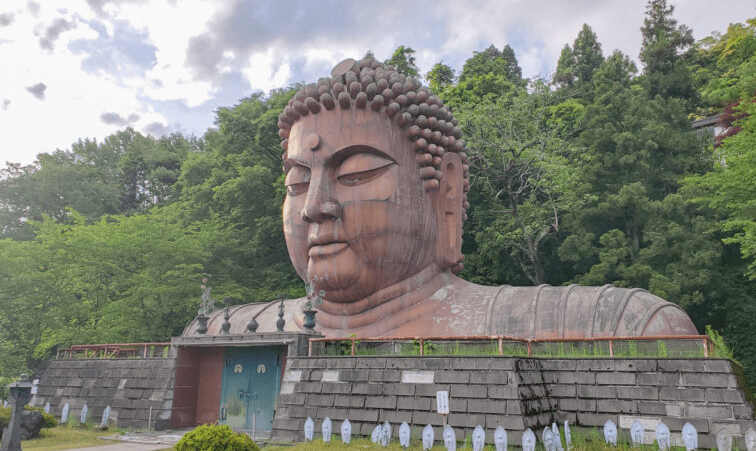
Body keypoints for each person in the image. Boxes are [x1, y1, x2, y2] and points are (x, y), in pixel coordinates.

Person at [191, 57, 698, 339]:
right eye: (297, 182)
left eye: (357, 172)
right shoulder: (225, 333)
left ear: (445, 189)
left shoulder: (619, 324)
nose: (314, 206)